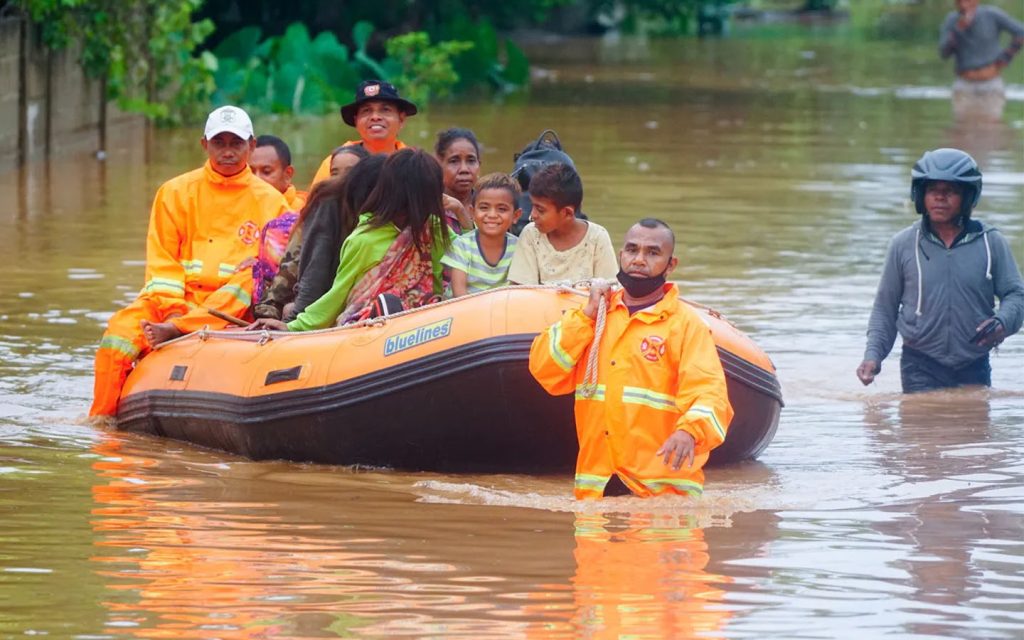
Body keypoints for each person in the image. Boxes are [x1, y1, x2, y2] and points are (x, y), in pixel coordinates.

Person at [89, 106, 289, 417]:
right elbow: (162, 262)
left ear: (251, 146)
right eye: (218, 143)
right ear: (204, 145)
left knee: (251, 275)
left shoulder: (272, 202)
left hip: (230, 303)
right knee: (116, 337)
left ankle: (179, 330)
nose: (227, 151)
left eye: (235, 143)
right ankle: (102, 422)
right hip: (172, 300)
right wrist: (173, 309)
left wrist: (177, 325)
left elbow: (273, 267)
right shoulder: (175, 192)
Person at [528, 218, 734, 499]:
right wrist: (586, 315)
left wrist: (689, 432)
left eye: (652, 252)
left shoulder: (685, 326)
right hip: (595, 493)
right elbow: (545, 371)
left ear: (671, 265)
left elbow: (710, 394)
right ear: (620, 254)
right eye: (632, 250)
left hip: (662, 496)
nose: (639, 259)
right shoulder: (594, 317)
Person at [857, 148, 1023, 393]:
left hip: (973, 362)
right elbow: (885, 308)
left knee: (972, 428)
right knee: (923, 427)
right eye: (933, 190)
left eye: (951, 191)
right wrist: (873, 355)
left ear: (968, 197)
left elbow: (1016, 295)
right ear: (920, 195)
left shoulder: (991, 243)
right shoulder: (903, 244)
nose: (940, 198)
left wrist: (1002, 322)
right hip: (920, 363)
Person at [249, 148, 453, 332]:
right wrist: (294, 325)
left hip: (424, 320)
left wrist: (461, 214)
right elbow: (337, 294)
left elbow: (459, 260)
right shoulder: (364, 240)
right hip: (367, 323)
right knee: (387, 303)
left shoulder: (433, 230)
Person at [253, 154, 385, 321]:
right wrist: (292, 320)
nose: (342, 178)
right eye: (335, 172)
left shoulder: (376, 215)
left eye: (350, 172)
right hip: (320, 307)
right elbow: (310, 271)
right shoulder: (328, 204)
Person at [507, 163, 618, 285]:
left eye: (540, 210)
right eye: (532, 206)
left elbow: (609, 290)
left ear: (567, 213)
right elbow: (523, 292)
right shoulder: (531, 235)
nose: (532, 215)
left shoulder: (597, 238)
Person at [308, 80, 417, 188]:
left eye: (385, 110)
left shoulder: (414, 164)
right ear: (356, 121)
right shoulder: (334, 164)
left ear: (401, 119)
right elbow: (318, 202)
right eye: (366, 110)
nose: (375, 117)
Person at [939, 0, 1024, 119]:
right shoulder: (952, 20)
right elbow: (944, 53)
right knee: (962, 128)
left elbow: (1021, 32)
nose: (964, 5)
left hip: (990, 82)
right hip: (965, 83)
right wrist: (957, 31)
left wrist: (1006, 57)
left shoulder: (992, 15)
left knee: (991, 128)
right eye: (959, 2)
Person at [442, 173, 522, 297]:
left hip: (503, 308)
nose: (492, 215)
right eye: (484, 208)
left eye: (502, 209)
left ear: (516, 216)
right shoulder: (461, 246)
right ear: (472, 212)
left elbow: (518, 291)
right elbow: (459, 293)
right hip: (463, 308)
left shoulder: (519, 248)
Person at [436, 128, 481, 232]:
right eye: (454, 161)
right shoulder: (428, 209)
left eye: (471, 160)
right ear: (438, 165)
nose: (464, 169)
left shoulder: (492, 206)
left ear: (479, 164)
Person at [251, 134, 307, 210]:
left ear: (288, 174)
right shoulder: (238, 206)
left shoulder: (306, 213)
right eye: (250, 172)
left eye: (266, 172)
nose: (256, 179)